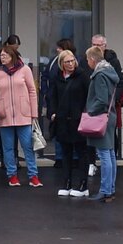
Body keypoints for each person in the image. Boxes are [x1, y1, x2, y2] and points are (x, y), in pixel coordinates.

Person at [0, 41, 40, 187]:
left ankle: (33, 175)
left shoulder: (25, 70)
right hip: (5, 116)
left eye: (4, 55)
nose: (1, 57)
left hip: (24, 115)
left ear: (12, 56)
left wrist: (33, 113)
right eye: (1, 55)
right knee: (8, 148)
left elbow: (32, 91)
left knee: (28, 146)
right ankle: (12, 175)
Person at [47, 49, 89, 197]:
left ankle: (83, 185)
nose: (71, 64)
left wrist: (85, 114)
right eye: (67, 62)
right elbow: (52, 97)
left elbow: (88, 96)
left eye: (72, 61)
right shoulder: (57, 77)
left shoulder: (83, 76)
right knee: (66, 153)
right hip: (62, 120)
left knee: (81, 153)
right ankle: (67, 183)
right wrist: (52, 113)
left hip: (79, 120)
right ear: (61, 64)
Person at [82, 46, 121, 202]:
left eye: (87, 59)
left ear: (92, 59)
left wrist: (90, 111)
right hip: (110, 115)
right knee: (110, 154)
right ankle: (110, 189)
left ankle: (105, 190)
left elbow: (101, 99)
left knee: (104, 155)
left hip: (100, 116)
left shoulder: (99, 75)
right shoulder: (110, 72)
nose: (87, 62)